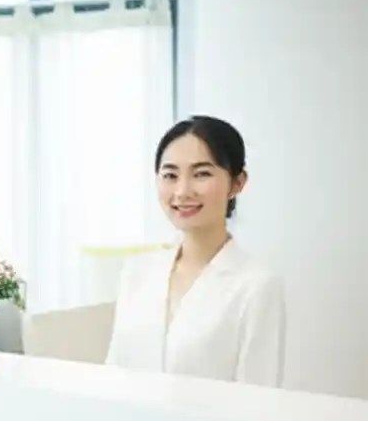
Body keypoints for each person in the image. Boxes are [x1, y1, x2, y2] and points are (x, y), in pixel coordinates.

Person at [105, 115, 286, 386]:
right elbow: (112, 375)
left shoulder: (257, 285)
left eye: (201, 174)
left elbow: (258, 396)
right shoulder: (137, 272)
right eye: (170, 175)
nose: (182, 191)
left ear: (237, 183)